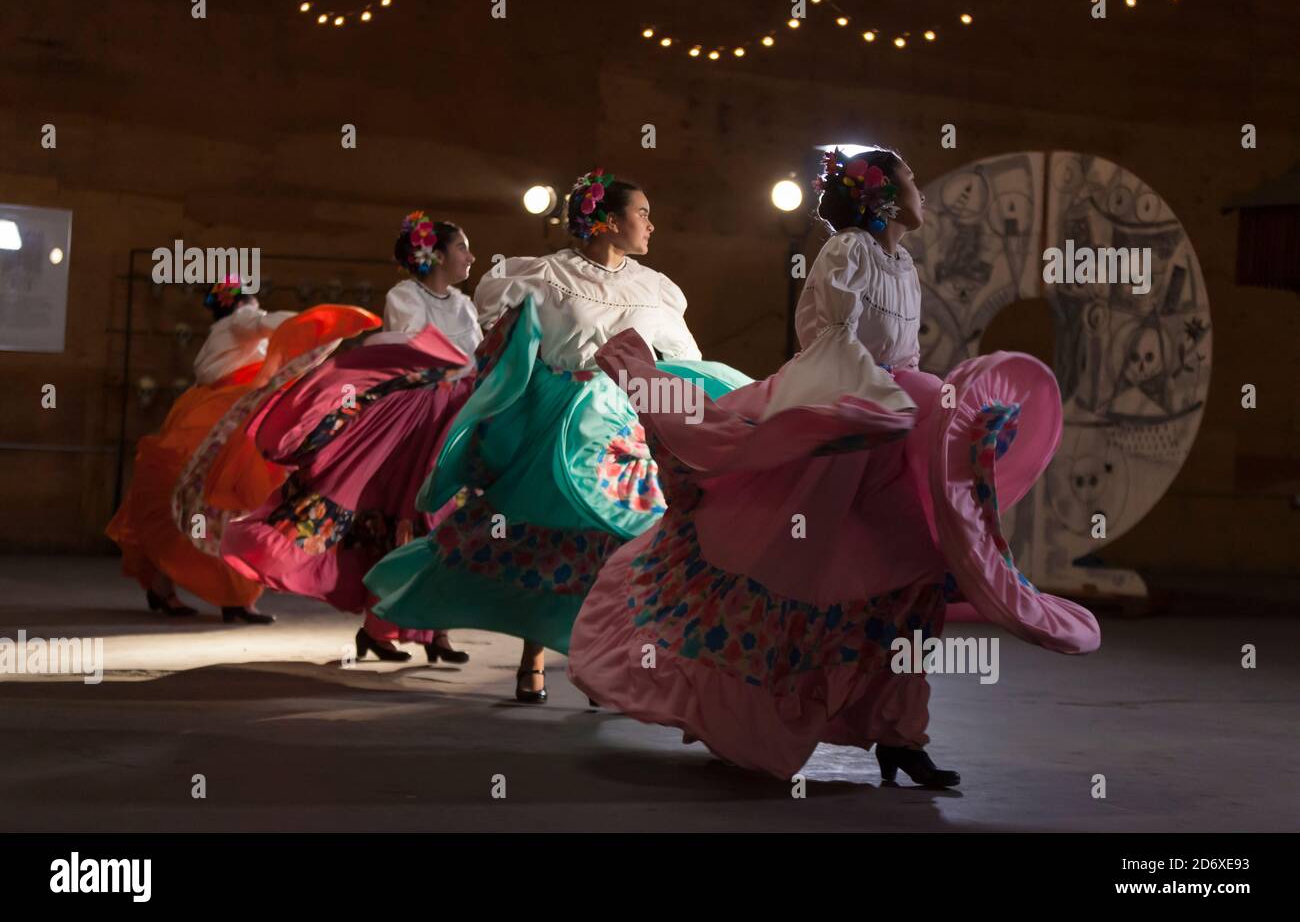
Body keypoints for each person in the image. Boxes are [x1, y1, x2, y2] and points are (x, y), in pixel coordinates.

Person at [566, 147, 1101, 785]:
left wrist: (919, 406)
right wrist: (873, 405)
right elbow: (831, 338)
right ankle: (754, 718)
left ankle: (900, 733)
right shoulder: (849, 250)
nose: (920, 195)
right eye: (910, 183)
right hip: (849, 421)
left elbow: (902, 350)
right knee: (802, 569)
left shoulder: (902, 262)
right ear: (881, 198)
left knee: (913, 579)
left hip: (894, 425)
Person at [367, 169, 750, 701]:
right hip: (559, 415)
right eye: (642, 213)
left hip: (624, 427)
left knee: (620, 540)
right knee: (549, 537)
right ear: (609, 221)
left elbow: (682, 359)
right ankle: (534, 660)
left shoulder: (654, 288)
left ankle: (604, 663)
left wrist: (713, 412)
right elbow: (499, 330)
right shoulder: (543, 276)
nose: (651, 225)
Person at [221, 212, 480, 663]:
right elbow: (413, 350)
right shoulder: (404, 295)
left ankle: (436, 631)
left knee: (442, 518)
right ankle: (380, 629)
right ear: (435, 254)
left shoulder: (463, 303)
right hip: (409, 416)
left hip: (452, 414)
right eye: (462, 248)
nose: (471, 257)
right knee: (400, 513)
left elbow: (470, 356)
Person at [108, 278, 374, 623]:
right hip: (226, 417)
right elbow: (273, 322)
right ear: (244, 301)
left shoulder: (219, 331)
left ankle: (165, 588)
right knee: (231, 506)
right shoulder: (241, 321)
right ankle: (234, 598)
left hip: (198, 414)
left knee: (183, 502)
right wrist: (325, 323)